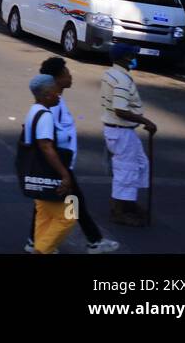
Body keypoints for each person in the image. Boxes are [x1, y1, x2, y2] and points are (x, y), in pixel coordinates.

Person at [25, 57, 119, 254]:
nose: (70, 76)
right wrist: (64, 172)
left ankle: (35, 241)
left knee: (45, 203)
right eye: (66, 73)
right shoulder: (52, 105)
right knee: (71, 207)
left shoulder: (53, 101)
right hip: (58, 165)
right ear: (56, 80)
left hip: (57, 165)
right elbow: (46, 143)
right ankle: (47, 246)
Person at [100, 43, 156, 227]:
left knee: (140, 163)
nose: (133, 57)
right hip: (121, 131)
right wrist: (146, 121)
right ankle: (118, 211)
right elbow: (120, 110)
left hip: (121, 131)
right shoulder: (122, 80)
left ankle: (127, 202)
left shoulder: (112, 74)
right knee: (126, 171)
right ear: (124, 58)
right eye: (131, 55)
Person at [25, 73, 77, 254]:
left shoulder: (33, 110)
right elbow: (46, 146)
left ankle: (41, 247)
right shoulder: (45, 116)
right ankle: (42, 250)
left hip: (37, 174)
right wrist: (64, 175)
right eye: (56, 92)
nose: (59, 95)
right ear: (47, 94)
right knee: (70, 215)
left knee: (44, 216)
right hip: (49, 174)